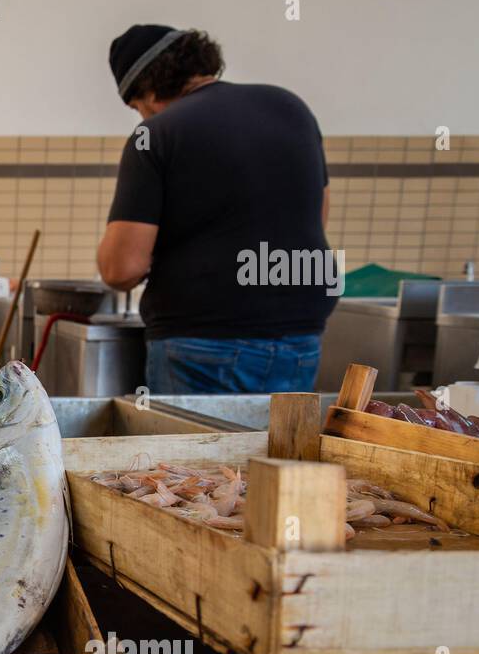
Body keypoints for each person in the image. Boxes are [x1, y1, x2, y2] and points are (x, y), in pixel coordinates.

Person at [97, 25, 337, 394]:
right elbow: (317, 215)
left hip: (204, 343)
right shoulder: (291, 108)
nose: (142, 117)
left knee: (195, 452)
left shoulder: (157, 134)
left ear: (147, 89)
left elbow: (122, 268)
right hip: (302, 336)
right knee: (277, 450)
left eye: (136, 106)